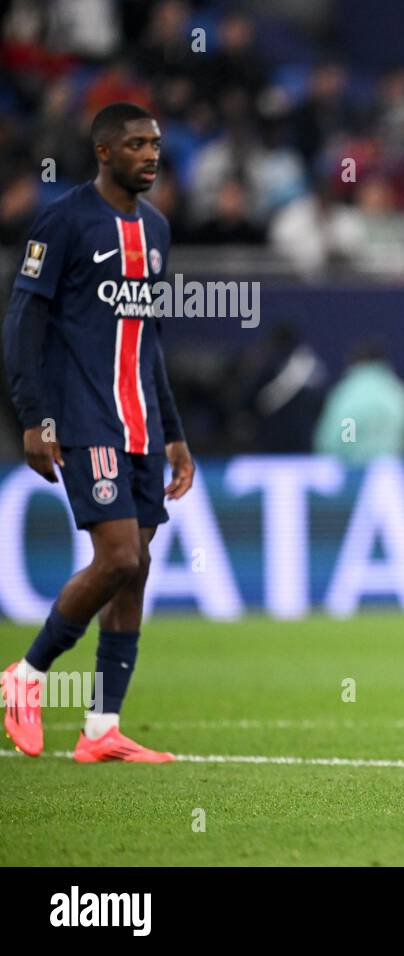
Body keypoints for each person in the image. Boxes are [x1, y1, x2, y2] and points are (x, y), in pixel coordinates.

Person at [1, 102, 194, 762]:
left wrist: (173, 431)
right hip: (85, 417)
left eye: (156, 143)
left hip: (141, 425)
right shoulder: (63, 221)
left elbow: (150, 340)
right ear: (105, 152)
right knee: (117, 558)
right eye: (136, 144)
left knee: (133, 576)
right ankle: (25, 677)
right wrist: (33, 415)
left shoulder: (160, 230)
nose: (151, 154)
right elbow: (23, 320)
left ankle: (100, 729)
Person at [313, 342, 404, 465]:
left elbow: (337, 435)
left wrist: (348, 451)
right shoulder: (397, 391)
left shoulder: (348, 392)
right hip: (391, 469)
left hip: (354, 470)